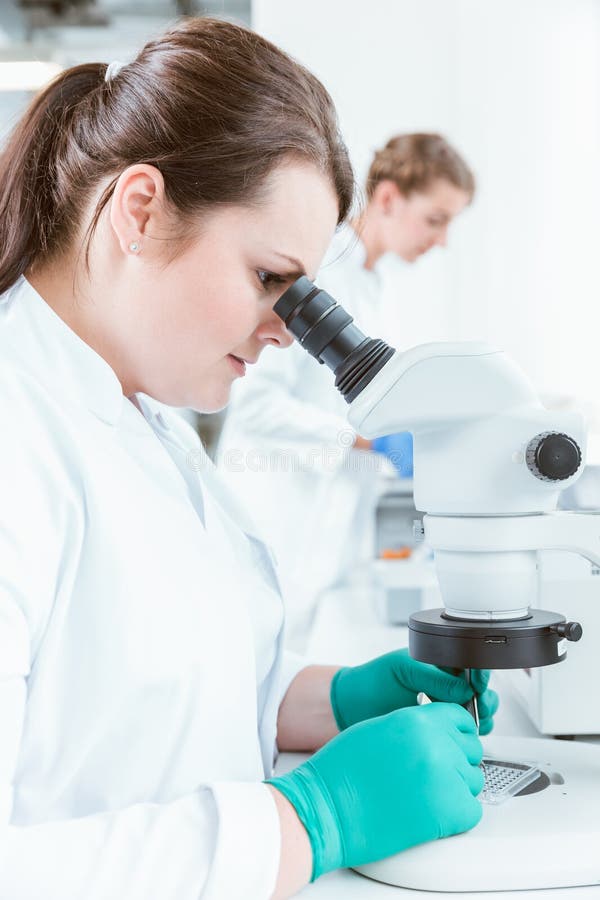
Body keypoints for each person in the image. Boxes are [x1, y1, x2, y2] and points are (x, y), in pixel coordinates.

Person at [0, 18, 498, 899]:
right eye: (271, 279)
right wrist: (309, 820)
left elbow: (150, 708)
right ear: (141, 210)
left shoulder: (144, 420)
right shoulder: (18, 440)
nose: (285, 331)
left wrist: (334, 701)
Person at [217, 133, 475, 650]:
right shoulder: (320, 272)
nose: (442, 240)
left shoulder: (380, 287)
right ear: (387, 199)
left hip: (328, 532)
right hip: (276, 509)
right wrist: (368, 441)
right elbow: (256, 406)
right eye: (435, 219)